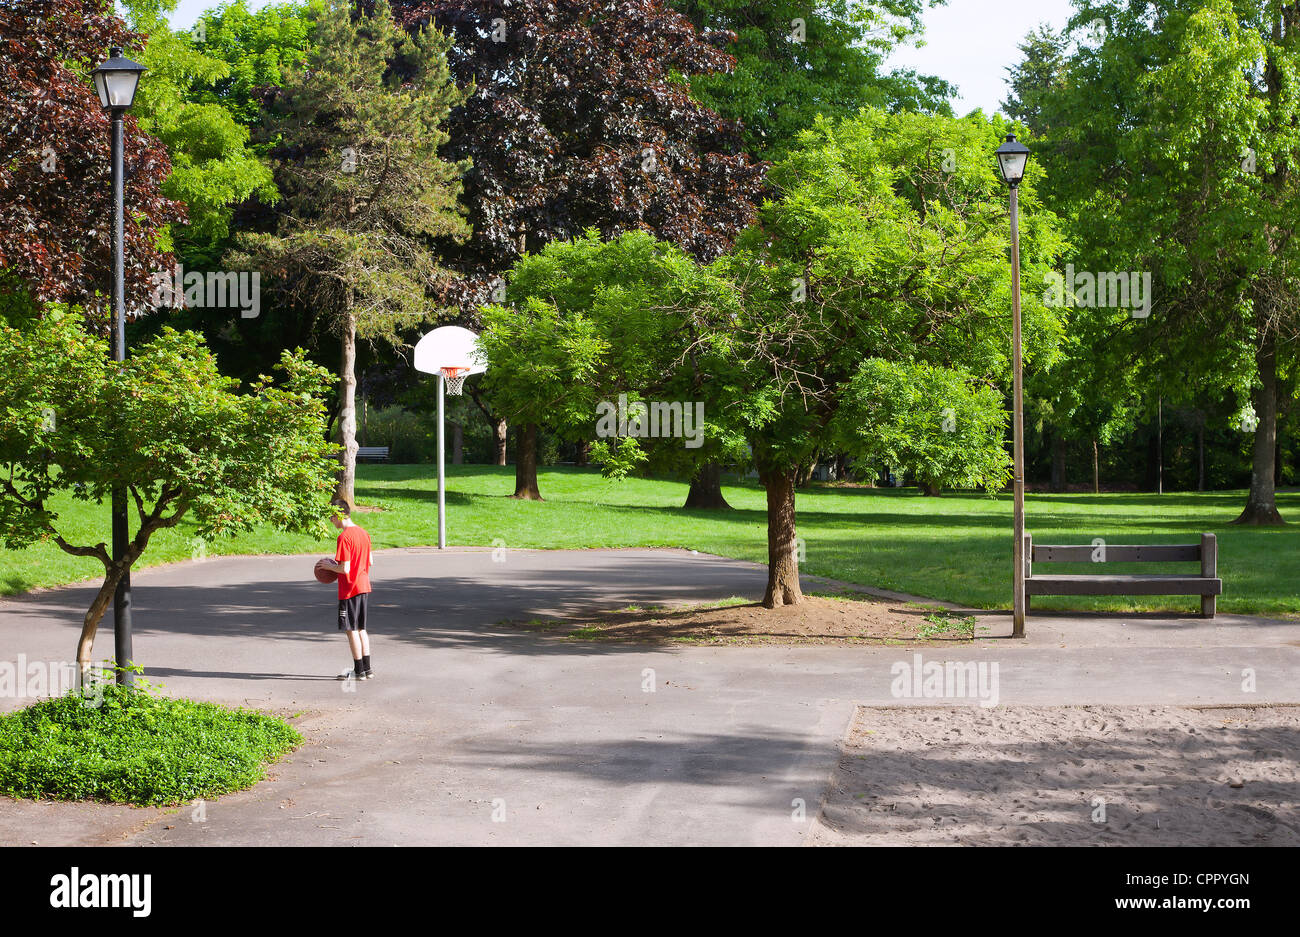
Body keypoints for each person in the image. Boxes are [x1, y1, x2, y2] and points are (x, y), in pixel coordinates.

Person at [320, 498, 374, 681]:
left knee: (351, 630)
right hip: (364, 585)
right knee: (362, 629)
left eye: (331, 517)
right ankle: (367, 670)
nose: (331, 521)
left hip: (349, 589)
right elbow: (371, 561)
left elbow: (345, 569)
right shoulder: (364, 533)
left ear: (339, 514)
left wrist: (328, 567)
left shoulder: (344, 537)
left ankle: (358, 671)